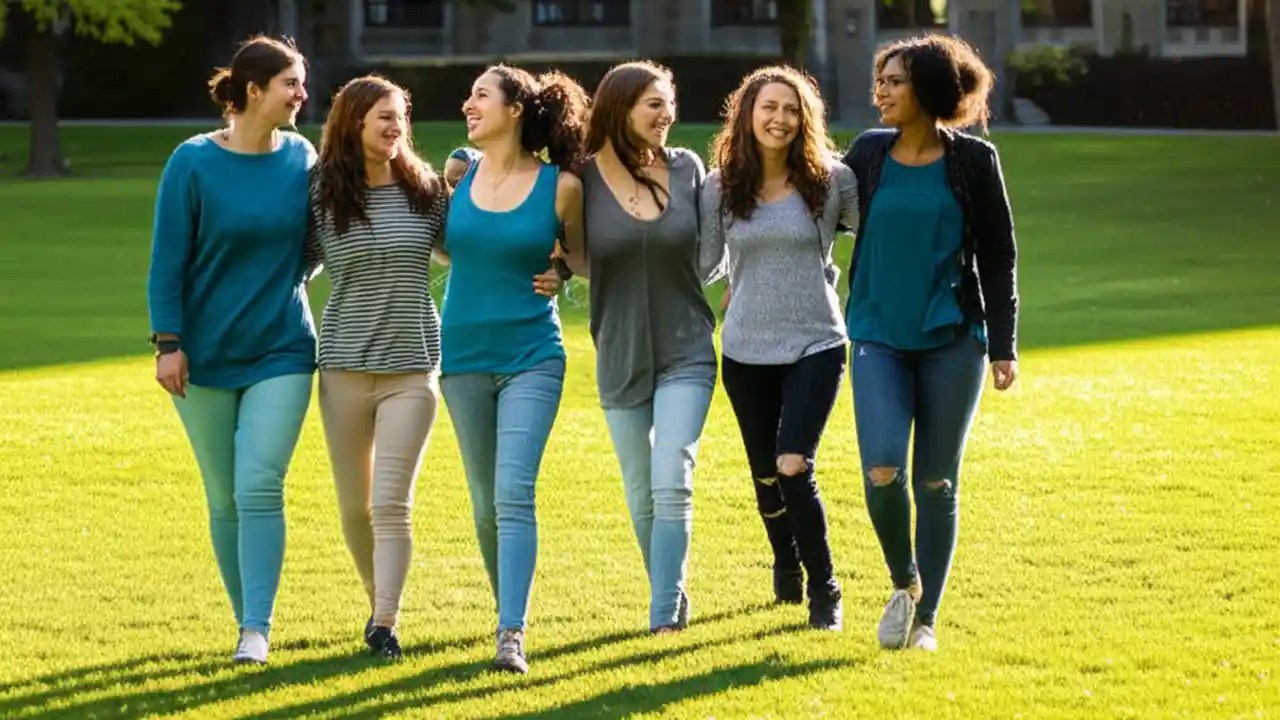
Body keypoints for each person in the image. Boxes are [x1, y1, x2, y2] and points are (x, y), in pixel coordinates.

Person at [842, 35, 1019, 652]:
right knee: (882, 469)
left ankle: (926, 622)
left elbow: (998, 256)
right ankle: (905, 579)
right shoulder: (867, 153)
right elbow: (815, 206)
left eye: (895, 81)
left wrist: (1004, 345)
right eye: (880, 80)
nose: (881, 91)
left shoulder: (973, 161)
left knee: (937, 482)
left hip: (953, 339)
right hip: (876, 332)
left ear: (929, 88)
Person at [146, 35, 316, 665]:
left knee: (259, 483)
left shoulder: (302, 157)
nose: (302, 95)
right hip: (203, 356)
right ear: (253, 90)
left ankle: (256, 629)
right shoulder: (191, 162)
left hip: (283, 348)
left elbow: (319, 240)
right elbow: (167, 261)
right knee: (223, 495)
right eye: (291, 83)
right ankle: (247, 621)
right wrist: (169, 343)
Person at [440, 64, 588, 674]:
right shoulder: (458, 174)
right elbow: (448, 247)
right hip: (462, 358)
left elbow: (582, 253)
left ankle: (511, 633)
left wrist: (564, 271)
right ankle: (507, 607)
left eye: (481, 95)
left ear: (516, 109)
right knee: (484, 503)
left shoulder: (562, 186)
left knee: (512, 491)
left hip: (533, 354)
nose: (468, 105)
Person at [700, 66, 857, 632]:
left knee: (794, 464)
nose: (780, 119)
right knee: (766, 473)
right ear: (747, 114)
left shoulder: (833, 179)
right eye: (769, 107)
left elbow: (878, 235)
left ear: (805, 119)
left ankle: (825, 589)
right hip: (745, 349)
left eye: (792, 109)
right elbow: (704, 263)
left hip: (817, 340)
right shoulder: (719, 186)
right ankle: (785, 561)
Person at [570, 61, 719, 633]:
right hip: (619, 347)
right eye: (654, 103)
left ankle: (662, 616)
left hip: (687, 346)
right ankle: (671, 594)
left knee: (672, 477)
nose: (667, 114)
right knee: (640, 494)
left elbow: (712, 246)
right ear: (621, 106)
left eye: (669, 103)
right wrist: (554, 269)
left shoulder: (686, 169)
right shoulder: (580, 178)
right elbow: (570, 252)